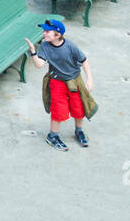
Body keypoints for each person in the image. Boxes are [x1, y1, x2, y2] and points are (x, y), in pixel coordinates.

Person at [26, 19, 97, 151]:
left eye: (47, 31)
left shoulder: (70, 46)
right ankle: (52, 136)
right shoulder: (45, 46)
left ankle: (79, 131)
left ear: (58, 35)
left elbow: (84, 61)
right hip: (57, 81)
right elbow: (39, 64)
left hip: (74, 80)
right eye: (44, 30)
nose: (44, 33)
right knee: (58, 110)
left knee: (79, 107)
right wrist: (33, 52)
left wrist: (90, 80)